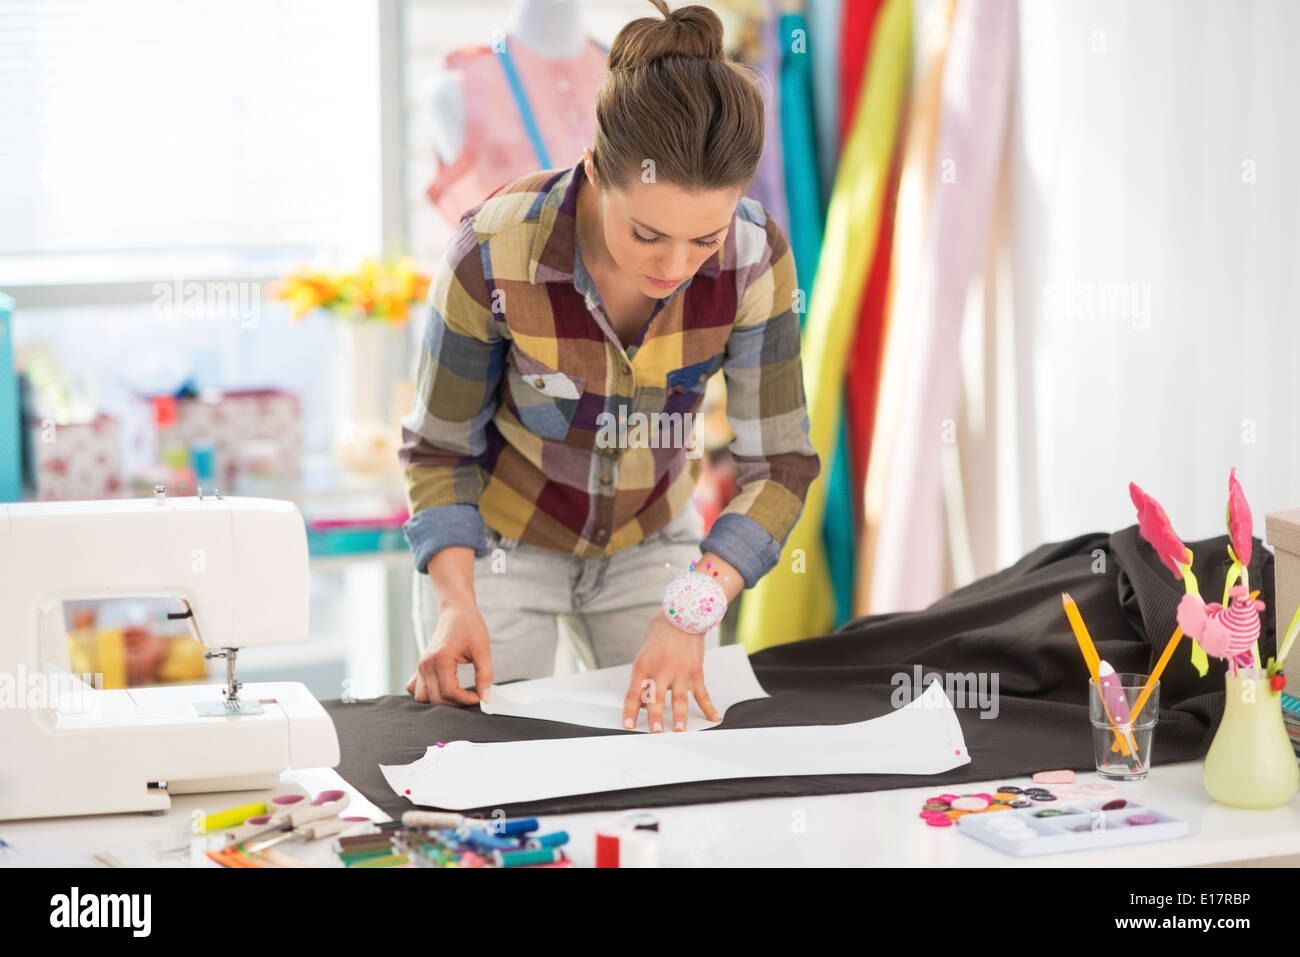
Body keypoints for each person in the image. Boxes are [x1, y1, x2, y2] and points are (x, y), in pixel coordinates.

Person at [400, 0, 819, 733]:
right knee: (489, 757)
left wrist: (693, 608)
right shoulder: (494, 249)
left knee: (669, 762)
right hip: (498, 548)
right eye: (648, 233)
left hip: (653, 543)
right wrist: (456, 601)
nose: (676, 266)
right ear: (595, 167)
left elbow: (778, 465)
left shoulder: (755, 258)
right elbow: (440, 449)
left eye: (704, 239)